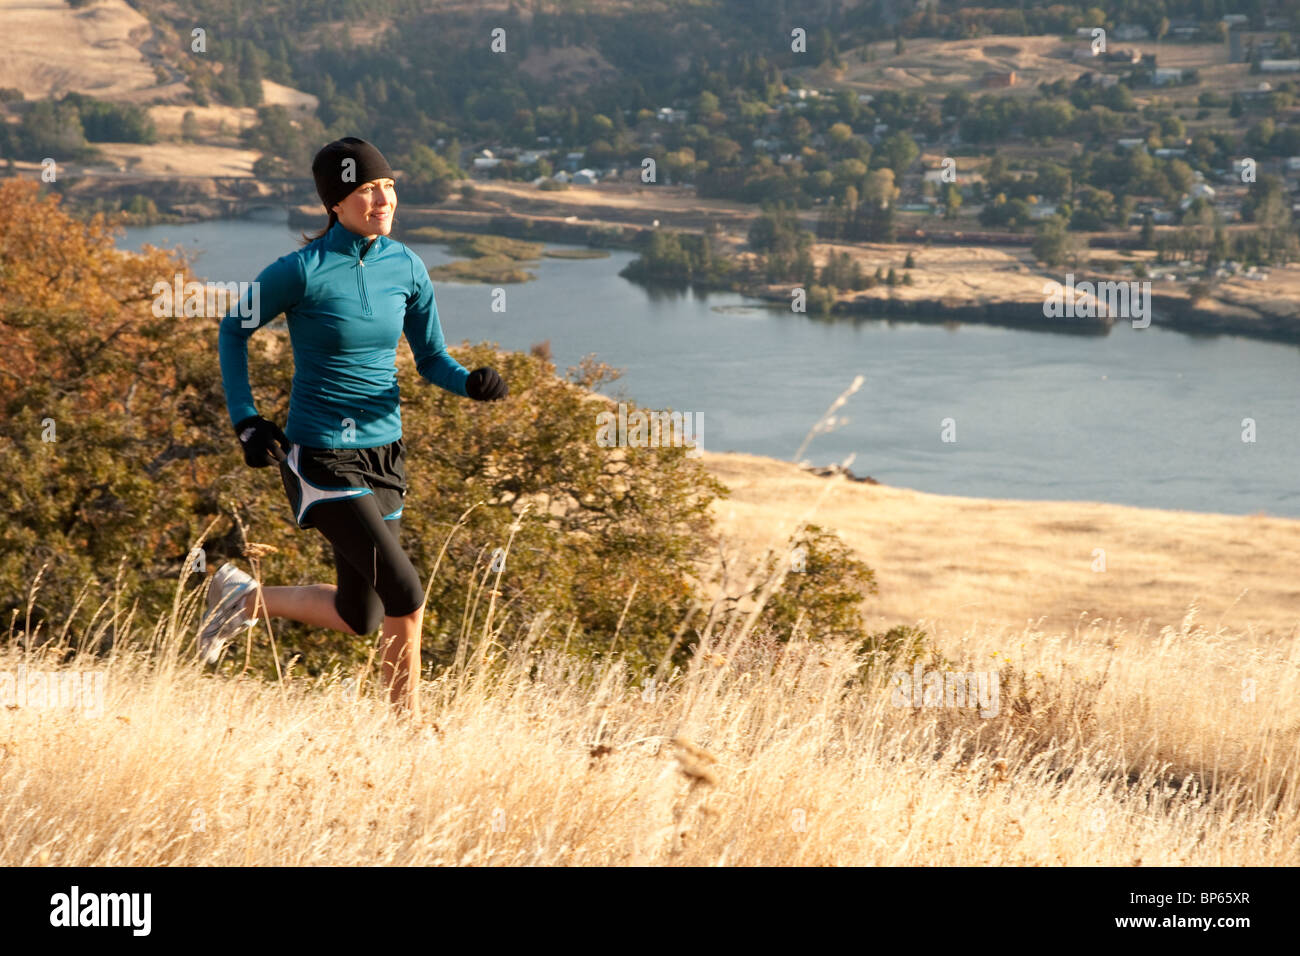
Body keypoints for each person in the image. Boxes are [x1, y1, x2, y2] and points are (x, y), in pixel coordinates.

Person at [201, 137, 508, 717]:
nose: (381, 198)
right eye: (365, 189)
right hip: (322, 456)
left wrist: (469, 383)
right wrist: (246, 420)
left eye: (387, 186)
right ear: (334, 204)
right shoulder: (300, 271)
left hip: (384, 455)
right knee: (407, 595)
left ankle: (244, 598)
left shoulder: (407, 266)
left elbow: (432, 358)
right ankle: (405, 733)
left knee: (359, 615)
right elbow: (232, 330)